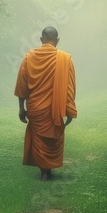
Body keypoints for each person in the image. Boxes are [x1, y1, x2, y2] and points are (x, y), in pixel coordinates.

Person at [14, 27, 76, 181]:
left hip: (35, 107)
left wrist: (21, 108)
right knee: (52, 138)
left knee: (39, 138)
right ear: (57, 40)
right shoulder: (65, 59)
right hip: (56, 108)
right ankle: (47, 170)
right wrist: (69, 109)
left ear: (41, 40)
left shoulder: (29, 57)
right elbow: (69, 87)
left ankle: (44, 171)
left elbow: (22, 85)